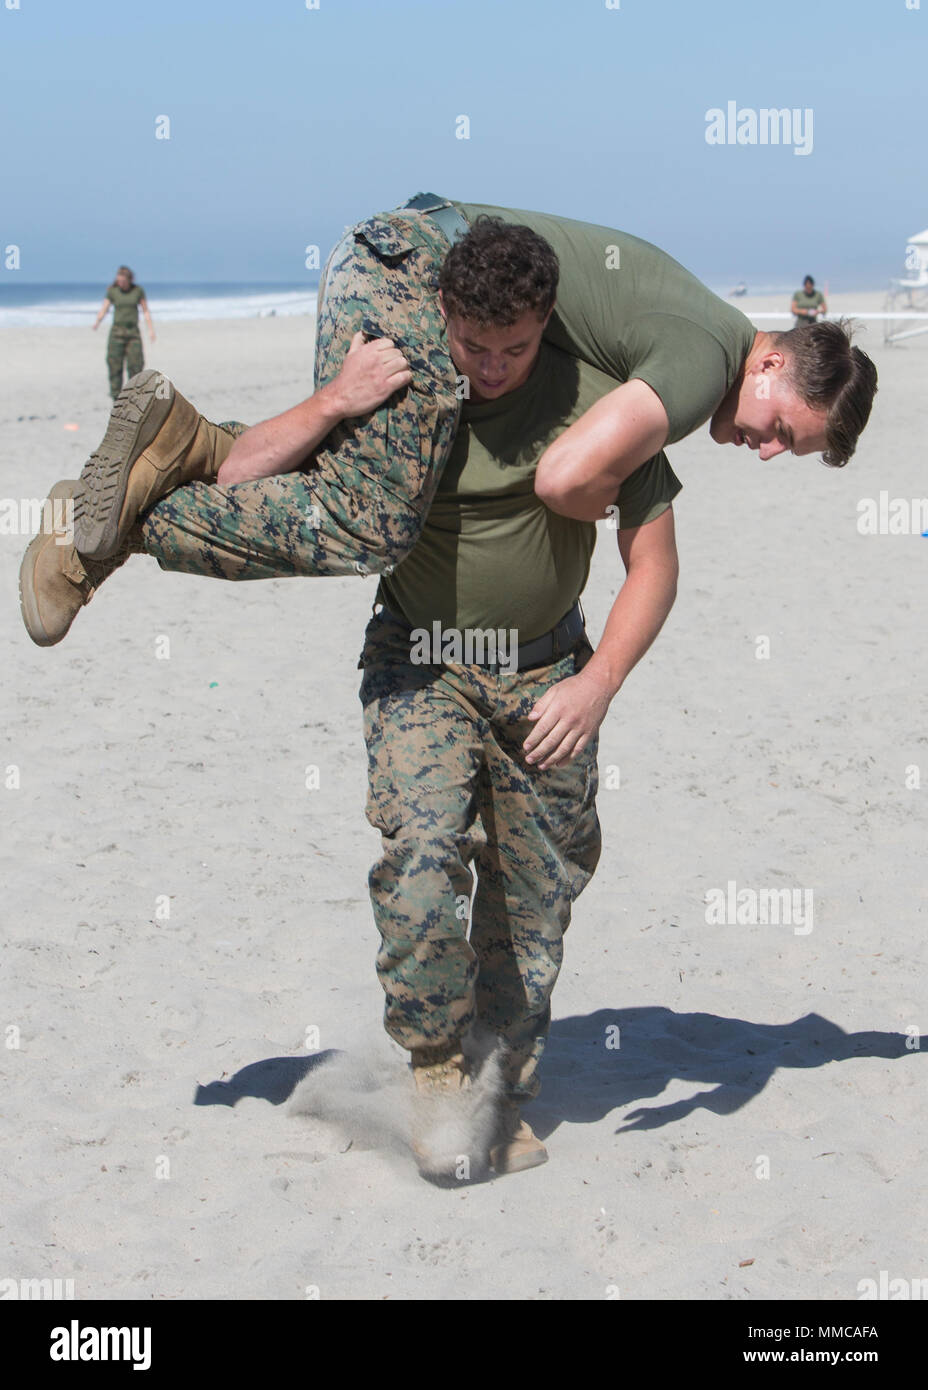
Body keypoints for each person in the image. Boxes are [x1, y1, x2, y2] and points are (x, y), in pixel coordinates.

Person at [19, 196, 878, 1176]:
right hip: (421, 664)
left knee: (534, 899)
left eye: (510, 344)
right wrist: (337, 402)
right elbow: (271, 479)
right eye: (780, 431)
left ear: (544, 320)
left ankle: (494, 1089)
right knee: (424, 852)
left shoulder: (604, 389)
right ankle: (434, 1080)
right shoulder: (428, 387)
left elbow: (656, 564)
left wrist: (597, 683)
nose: (489, 364)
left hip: (547, 671)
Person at [93, 265, 156, 401]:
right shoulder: (113, 292)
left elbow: (145, 310)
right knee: (114, 365)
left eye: (123, 281)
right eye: (119, 281)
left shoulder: (138, 291)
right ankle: (116, 397)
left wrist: (150, 330)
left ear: (129, 280)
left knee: (136, 366)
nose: (121, 283)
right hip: (116, 333)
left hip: (133, 333)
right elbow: (105, 308)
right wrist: (97, 321)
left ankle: (135, 397)